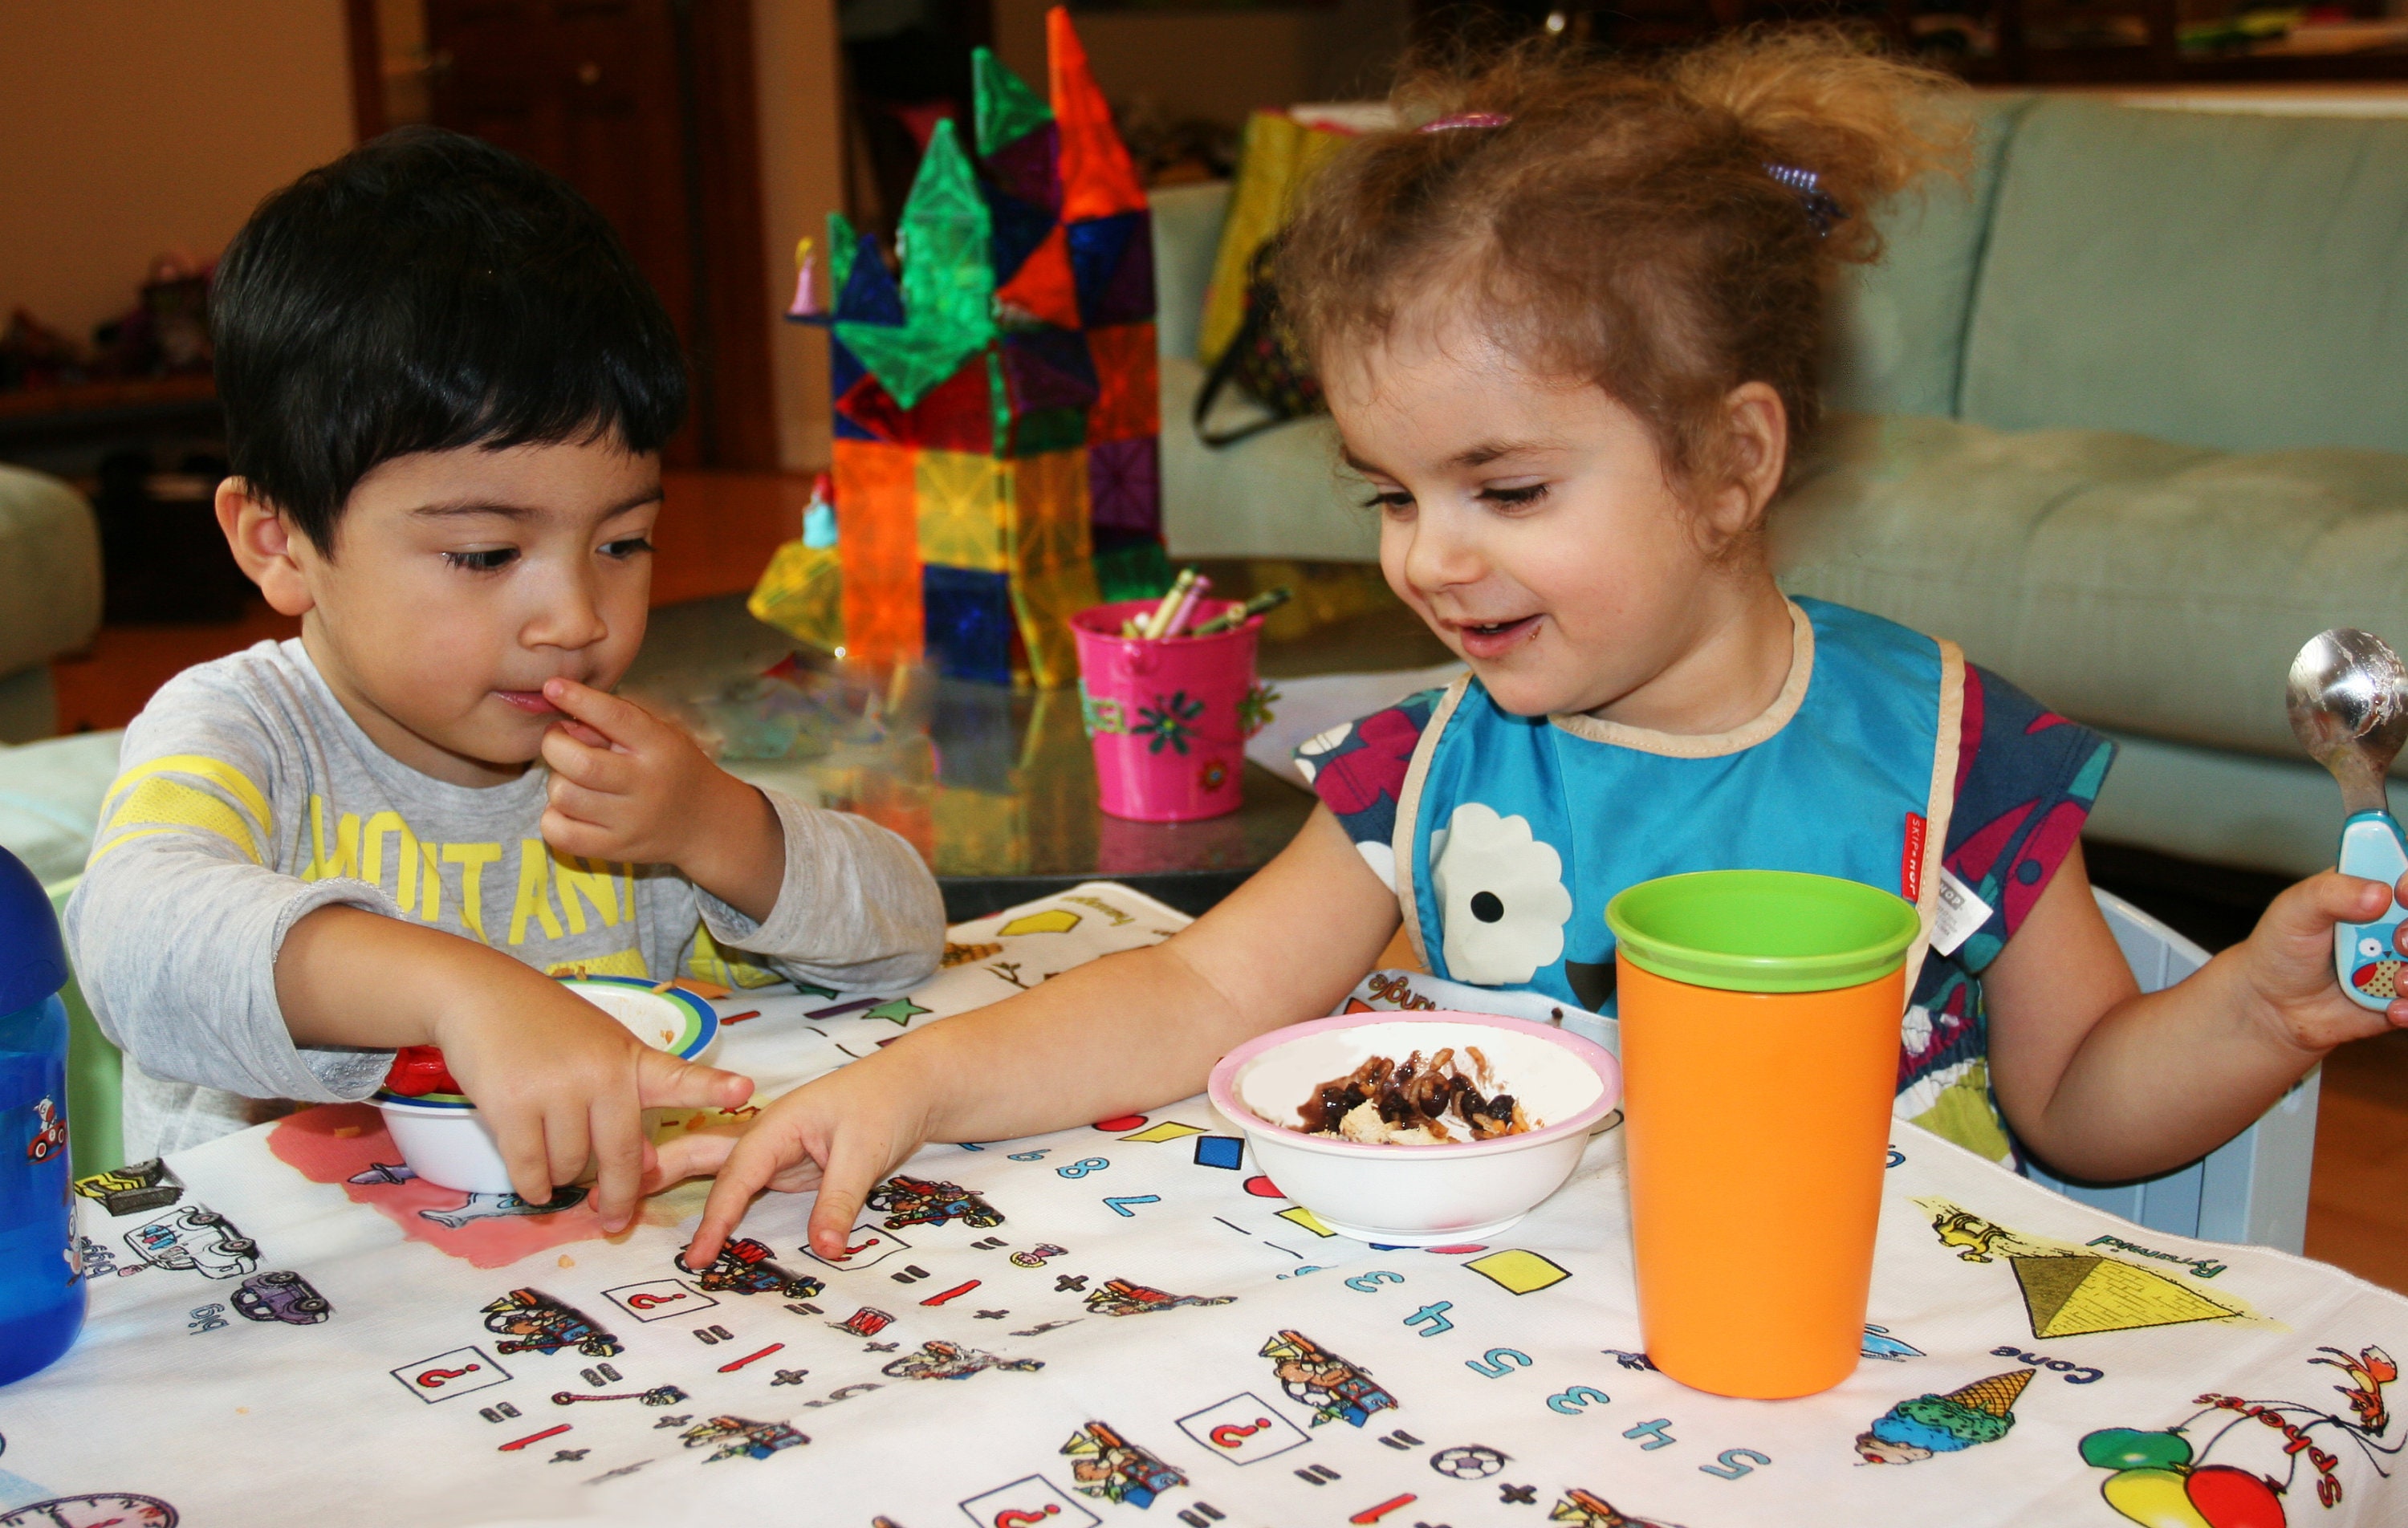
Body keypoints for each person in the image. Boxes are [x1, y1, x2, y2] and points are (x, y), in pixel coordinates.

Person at [676, 30, 2404, 1263]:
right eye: (1393, 493)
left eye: (1503, 486)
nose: (1431, 555)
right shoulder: (1433, 760)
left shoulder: (1951, 748)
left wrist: (2259, 1002)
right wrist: (913, 1083)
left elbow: (2087, 1103)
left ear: (1734, 462)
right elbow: (1201, 991)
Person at [67, 128, 946, 1232]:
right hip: (299, 1294)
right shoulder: (243, 732)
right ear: (278, 540)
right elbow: (132, 941)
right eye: (484, 555)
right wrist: (458, 991)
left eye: (622, 543)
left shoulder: (616, 763)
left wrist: (720, 828)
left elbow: (910, 928)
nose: (577, 618)